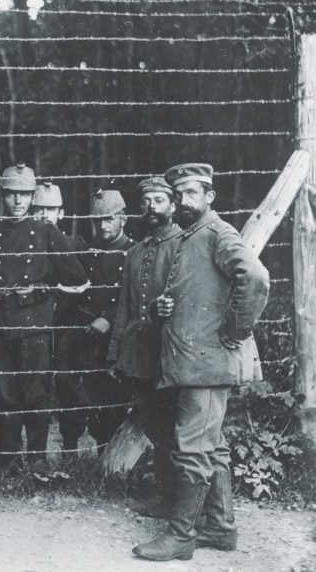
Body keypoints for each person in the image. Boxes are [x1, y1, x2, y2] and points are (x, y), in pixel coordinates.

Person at [132, 163, 270, 562]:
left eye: (193, 193)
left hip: (207, 364)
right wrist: (165, 306)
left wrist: (235, 331)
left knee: (191, 447)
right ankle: (220, 527)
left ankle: (180, 536)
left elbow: (256, 277)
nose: (184, 202)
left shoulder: (217, 233)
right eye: (179, 195)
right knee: (214, 446)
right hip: (190, 362)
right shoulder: (190, 236)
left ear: (210, 196)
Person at [0, 164, 88, 473]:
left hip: (34, 328)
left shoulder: (45, 232)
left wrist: (46, 301)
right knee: (2, 394)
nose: (18, 202)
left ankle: (37, 461)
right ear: (3, 196)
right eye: (11, 195)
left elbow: (77, 279)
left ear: (32, 196)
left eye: (24, 195)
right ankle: (8, 463)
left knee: (36, 394)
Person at [107, 177, 182, 519]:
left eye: (159, 200)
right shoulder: (135, 252)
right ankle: (168, 499)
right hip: (140, 356)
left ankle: (186, 503)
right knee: (154, 427)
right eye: (147, 201)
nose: (152, 207)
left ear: (173, 205)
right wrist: (115, 353)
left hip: (173, 356)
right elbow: (124, 306)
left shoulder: (184, 244)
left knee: (178, 431)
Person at [67, 189, 134, 452]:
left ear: (123, 218)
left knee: (117, 403)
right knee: (95, 401)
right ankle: (103, 463)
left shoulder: (135, 251)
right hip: (91, 339)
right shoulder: (89, 252)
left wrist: (107, 318)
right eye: (98, 221)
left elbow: (136, 297)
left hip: (122, 339)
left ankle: (118, 466)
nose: (103, 226)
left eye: (109, 219)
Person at [30, 182, 92, 453]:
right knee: (34, 387)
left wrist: (54, 296)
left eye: (50, 210)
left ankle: (70, 447)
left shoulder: (74, 245)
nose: (44, 215)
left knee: (69, 385)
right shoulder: (24, 247)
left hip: (66, 325)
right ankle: (35, 452)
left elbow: (83, 286)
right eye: (39, 210)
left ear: (61, 213)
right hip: (34, 327)